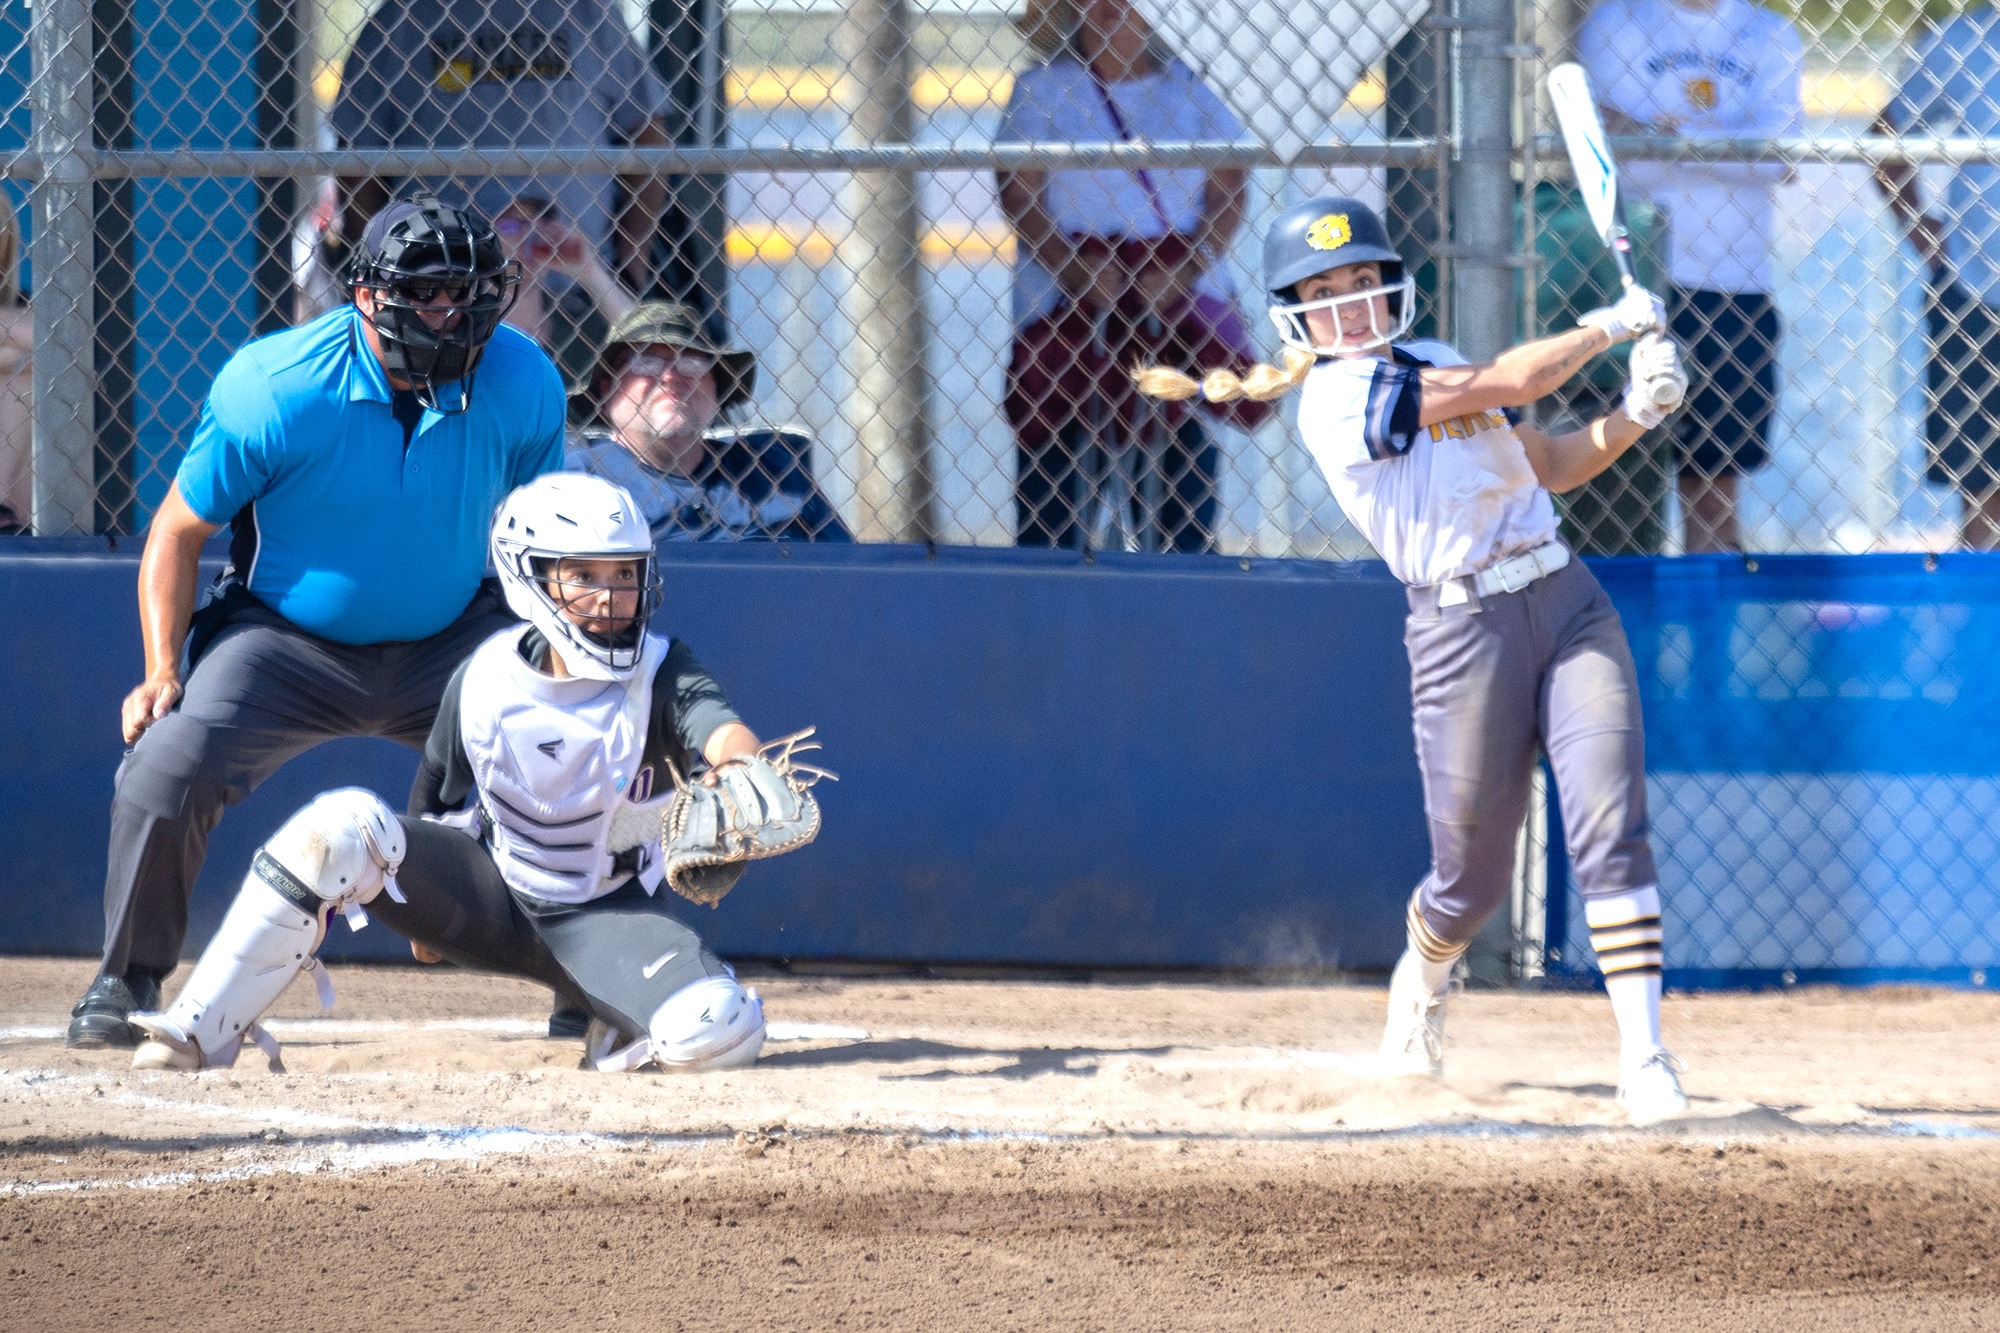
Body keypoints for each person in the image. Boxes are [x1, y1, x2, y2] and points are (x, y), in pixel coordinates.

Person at [1136, 197, 1693, 1124]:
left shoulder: (1433, 356)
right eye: (1325, 291)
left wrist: (1637, 412)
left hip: (1566, 601)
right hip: (1460, 633)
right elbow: (1508, 383)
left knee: (1610, 824)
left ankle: (1645, 1058)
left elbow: (1547, 464)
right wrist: (1608, 327)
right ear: (1294, 314)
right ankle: (1423, 980)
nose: (1350, 304)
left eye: (1361, 281)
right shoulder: (1336, 398)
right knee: (1470, 882)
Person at [64, 196, 567, 1049]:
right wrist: (160, 670)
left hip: (449, 638)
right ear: (367, 294)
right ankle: (126, 975)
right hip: (284, 641)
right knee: (169, 758)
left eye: (472, 292)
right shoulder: (277, 384)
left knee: (569, 743)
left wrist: (559, 685)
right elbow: (177, 531)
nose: (455, 313)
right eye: (429, 290)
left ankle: (584, 974)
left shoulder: (523, 379)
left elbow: (540, 545)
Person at [129, 473, 805, 1075]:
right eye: (584, 575)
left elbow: (721, 730)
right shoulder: (485, 677)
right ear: (529, 578)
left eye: (624, 575)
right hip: (493, 902)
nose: (609, 597)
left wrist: (739, 768)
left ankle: (616, 1019)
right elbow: (433, 803)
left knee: (717, 1029)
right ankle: (198, 1028)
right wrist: (430, 920)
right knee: (340, 827)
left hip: (611, 918)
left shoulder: (663, 666)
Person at [995, 0, 1269, 553]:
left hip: (1171, 305)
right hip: (1067, 308)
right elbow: (1019, 195)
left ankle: (1181, 601)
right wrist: (1073, 268)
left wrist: (1183, 269)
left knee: (1182, 496)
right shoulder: (1041, 89)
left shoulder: (1194, 91)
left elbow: (1228, 194)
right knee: (1054, 502)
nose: (1109, 8)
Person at [1578, 0, 1802, 554]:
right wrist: (1726, 140)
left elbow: (1780, 158)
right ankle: (1622, 639)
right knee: (1617, 488)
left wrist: (1663, 135)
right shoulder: (1617, 22)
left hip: (1733, 283)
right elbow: (1605, 139)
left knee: (1713, 493)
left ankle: (1711, 641)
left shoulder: (1768, 32)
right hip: (1635, 282)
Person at [330, 0, 674, 294]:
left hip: (576, 283)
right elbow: (358, 158)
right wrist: (375, 272)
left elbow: (648, 134)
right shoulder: (402, 17)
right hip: (441, 287)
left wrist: (631, 266)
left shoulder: (586, 10)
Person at [566, 302, 851, 543]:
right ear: (607, 390)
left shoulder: (776, 472)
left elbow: (854, 576)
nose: (671, 376)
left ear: (716, 388)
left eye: (691, 362)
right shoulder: (574, 483)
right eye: (646, 362)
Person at [1874, 6, 2000, 550]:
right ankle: (1985, 630)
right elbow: (1884, 141)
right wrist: (1924, 231)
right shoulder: (1964, 38)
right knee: (1982, 492)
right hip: (1977, 291)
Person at [495, 195, 640, 392]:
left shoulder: (579, 326)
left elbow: (649, 340)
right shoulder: (462, 325)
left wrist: (589, 271)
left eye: (542, 222)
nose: (529, 235)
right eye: (511, 225)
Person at [0, 200, 30, 534]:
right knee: (24, 372)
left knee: (25, 385)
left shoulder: (21, 304)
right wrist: (12, 361)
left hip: (16, 490)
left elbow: (59, 347)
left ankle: (1, 504)